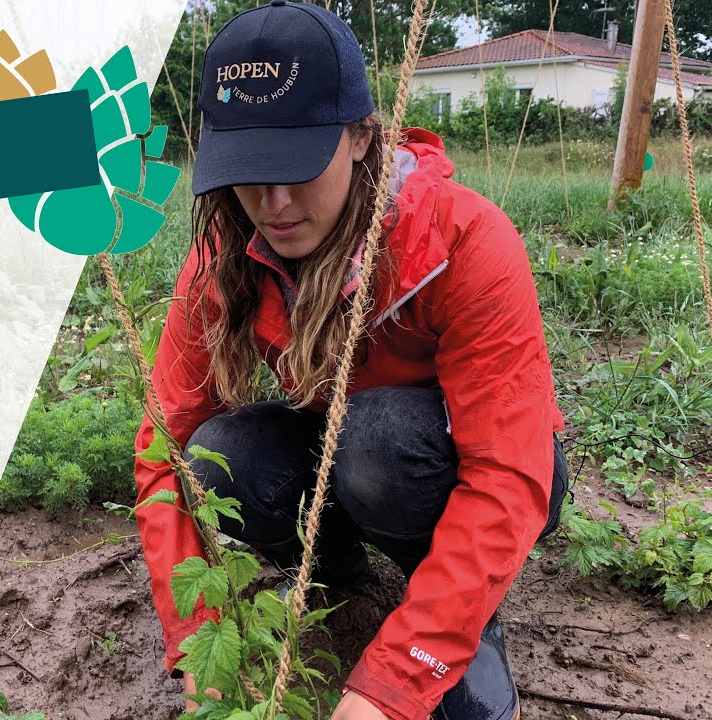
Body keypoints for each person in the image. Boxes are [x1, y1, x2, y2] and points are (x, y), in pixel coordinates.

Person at [131, 2, 569, 719]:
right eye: (247, 173)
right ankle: (338, 581)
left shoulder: (464, 240)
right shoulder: (223, 258)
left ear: (363, 136)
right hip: (344, 453)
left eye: (296, 168)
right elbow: (164, 449)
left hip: (460, 463)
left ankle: (457, 623)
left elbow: (507, 473)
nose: (271, 203)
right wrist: (197, 645)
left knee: (378, 439)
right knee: (219, 456)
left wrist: (391, 688)